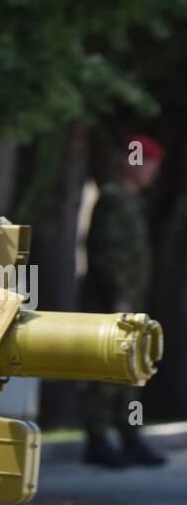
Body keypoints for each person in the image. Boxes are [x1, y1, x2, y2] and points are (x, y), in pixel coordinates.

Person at [81, 133, 165, 467]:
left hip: (130, 301)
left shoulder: (130, 201)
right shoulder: (115, 199)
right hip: (116, 304)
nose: (153, 173)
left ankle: (129, 435)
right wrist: (120, 297)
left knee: (132, 373)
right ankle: (98, 438)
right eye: (149, 165)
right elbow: (111, 254)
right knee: (107, 373)